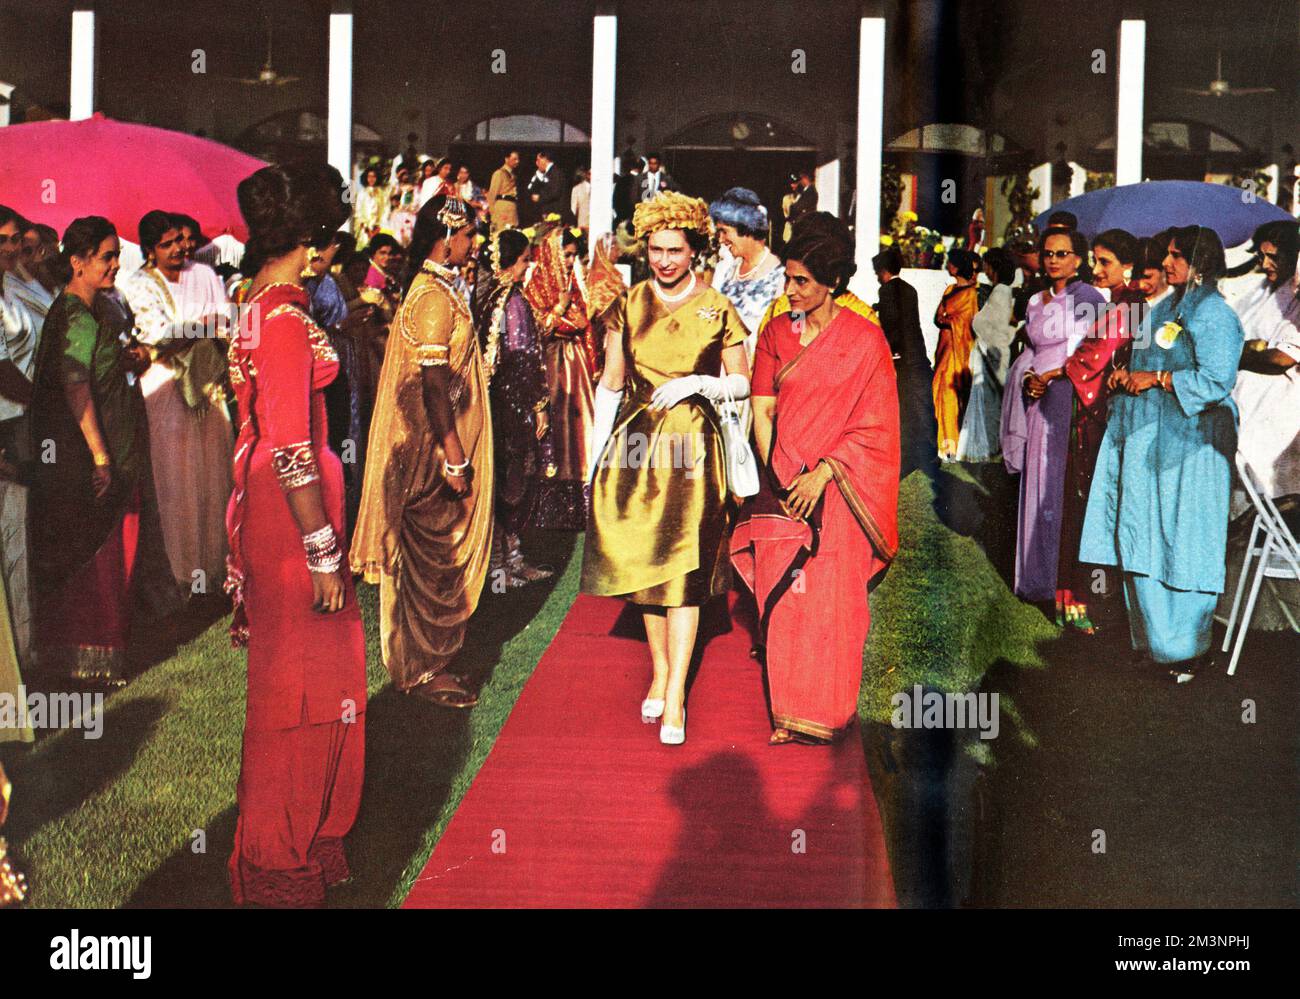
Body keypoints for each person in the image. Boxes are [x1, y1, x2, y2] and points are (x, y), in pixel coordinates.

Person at [224, 163, 366, 906]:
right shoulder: (280, 321)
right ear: (312, 243)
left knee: (312, 678)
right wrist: (321, 550)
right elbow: (290, 446)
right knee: (298, 686)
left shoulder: (261, 306)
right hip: (293, 517)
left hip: (287, 508)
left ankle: (303, 831)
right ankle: (281, 848)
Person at [581, 191, 750, 746]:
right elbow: (610, 381)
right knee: (647, 567)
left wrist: (700, 384)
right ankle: (659, 671)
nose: (664, 260)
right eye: (655, 249)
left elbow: (743, 382)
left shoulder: (717, 307)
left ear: (696, 249)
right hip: (636, 448)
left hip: (695, 452)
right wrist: (592, 453)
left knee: (684, 572)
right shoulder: (627, 303)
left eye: (675, 250)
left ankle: (676, 693)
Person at [732, 212, 900, 744]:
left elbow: (877, 426)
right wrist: (782, 475)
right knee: (785, 599)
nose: (790, 290)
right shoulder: (778, 332)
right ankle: (788, 712)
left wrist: (824, 472)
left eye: (802, 281)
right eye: (787, 278)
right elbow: (762, 408)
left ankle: (825, 714)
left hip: (842, 487)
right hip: (786, 482)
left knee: (833, 601)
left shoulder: (866, 341)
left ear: (832, 281)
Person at [1081, 226, 1243, 681]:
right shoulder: (1167, 308)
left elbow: (1216, 380)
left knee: (1184, 536)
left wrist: (1161, 380)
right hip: (1153, 439)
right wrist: (1125, 375)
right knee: (1146, 533)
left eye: (1176, 257)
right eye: (1168, 255)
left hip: (1193, 447)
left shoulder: (1213, 313)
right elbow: (1147, 362)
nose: (1166, 263)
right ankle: (1153, 643)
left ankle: (1187, 649)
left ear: (1202, 263)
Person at [352, 195, 492, 708]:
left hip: (438, 446)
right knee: (429, 553)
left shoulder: (441, 288)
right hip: (429, 454)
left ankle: (434, 659)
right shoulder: (432, 296)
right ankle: (423, 668)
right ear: (447, 235)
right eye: (469, 235)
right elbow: (433, 385)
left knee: (439, 551)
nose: (474, 244)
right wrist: (453, 453)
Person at [28, 217, 157, 686]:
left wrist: (126, 357)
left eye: (117, 255)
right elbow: (75, 385)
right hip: (86, 452)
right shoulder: (77, 314)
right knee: (98, 549)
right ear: (78, 262)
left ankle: (92, 653)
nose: (116, 265)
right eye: (107, 256)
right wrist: (102, 458)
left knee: (105, 547)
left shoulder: (90, 308)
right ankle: (89, 657)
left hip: (104, 443)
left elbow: (96, 366)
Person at [1023, 229, 1143, 632]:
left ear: (1127, 265)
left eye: (1104, 262)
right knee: (1078, 503)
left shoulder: (1131, 304)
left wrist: (1057, 372)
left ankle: (1082, 596)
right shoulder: (1120, 302)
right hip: (1092, 412)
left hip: (1100, 416)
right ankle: (1073, 597)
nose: (1096, 269)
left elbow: (1094, 357)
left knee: (1086, 504)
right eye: (1094, 260)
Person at [121, 211, 233, 597]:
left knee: (211, 474)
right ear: (149, 251)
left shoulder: (202, 274)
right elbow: (157, 334)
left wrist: (194, 331)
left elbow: (226, 322)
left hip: (206, 385)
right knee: (173, 479)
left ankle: (214, 573)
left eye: (180, 241)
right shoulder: (137, 284)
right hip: (164, 386)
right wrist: (200, 327)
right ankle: (177, 577)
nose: (177, 249)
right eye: (166, 244)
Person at [1002, 225, 1105, 604]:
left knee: (1058, 480)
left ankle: (1059, 577)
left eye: (1063, 254)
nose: (1054, 261)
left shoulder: (1089, 298)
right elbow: (1031, 348)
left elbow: (1092, 351)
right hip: (1036, 392)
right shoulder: (1033, 300)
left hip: (1068, 392)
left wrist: (1052, 376)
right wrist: (1030, 378)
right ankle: (1033, 577)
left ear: (1078, 259)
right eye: (1048, 253)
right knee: (1035, 478)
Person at [475, 227, 553, 584]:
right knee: (513, 482)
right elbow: (523, 358)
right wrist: (538, 405)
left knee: (496, 480)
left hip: (488, 401)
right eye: (524, 260)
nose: (528, 266)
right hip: (512, 404)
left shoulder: (485, 294)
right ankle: (507, 564)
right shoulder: (515, 302)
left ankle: (501, 563)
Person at [523, 227, 597, 531]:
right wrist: (561, 310)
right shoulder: (538, 284)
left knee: (580, 429)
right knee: (554, 426)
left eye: (573, 255)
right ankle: (547, 510)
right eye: (565, 254)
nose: (570, 261)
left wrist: (571, 320)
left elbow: (583, 321)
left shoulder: (572, 283)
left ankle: (579, 508)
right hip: (551, 366)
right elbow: (536, 326)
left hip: (575, 365)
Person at [1231, 220, 1300, 507]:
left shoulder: (1295, 301)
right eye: (1262, 256)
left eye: (1274, 257)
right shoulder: (1258, 291)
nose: (1266, 263)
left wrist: (1242, 354)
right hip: (1246, 403)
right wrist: (1249, 350)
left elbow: (1283, 356)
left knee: (1264, 486)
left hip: (1277, 411)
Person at [0, 207, 39, 669]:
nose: (11, 248)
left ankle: (19, 659)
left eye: (15, 239)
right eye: (2, 240)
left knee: (16, 540)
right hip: (8, 424)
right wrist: (45, 398)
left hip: (19, 422)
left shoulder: (12, 289)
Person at [873, 246, 937, 478]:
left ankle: (906, 457)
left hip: (900, 358)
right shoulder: (910, 289)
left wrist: (892, 352)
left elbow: (891, 324)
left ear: (883, 271)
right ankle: (929, 453)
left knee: (903, 409)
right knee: (922, 405)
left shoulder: (887, 290)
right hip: (917, 354)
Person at [958, 247, 1017, 462]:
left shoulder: (1000, 291)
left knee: (992, 403)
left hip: (993, 353)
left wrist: (977, 323)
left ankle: (992, 445)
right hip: (991, 352)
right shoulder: (1000, 291)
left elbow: (992, 325)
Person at [931, 248, 980, 461]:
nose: (947, 265)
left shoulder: (971, 294)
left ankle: (952, 445)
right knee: (937, 391)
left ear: (958, 266)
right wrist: (946, 319)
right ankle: (940, 442)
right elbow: (938, 316)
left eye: (950, 262)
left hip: (957, 350)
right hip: (944, 348)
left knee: (950, 396)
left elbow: (969, 321)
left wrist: (950, 320)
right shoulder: (950, 288)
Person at [352, 166, 389, 246]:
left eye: (373, 176)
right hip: (365, 230)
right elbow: (358, 213)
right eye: (369, 176)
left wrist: (378, 228)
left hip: (379, 229)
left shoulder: (383, 194)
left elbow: (386, 211)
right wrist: (367, 230)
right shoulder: (361, 193)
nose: (371, 179)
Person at [525, 151, 565, 226]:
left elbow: (555, 192)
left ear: (545, 159)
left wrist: (540, 197)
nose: (537, 163)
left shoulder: (555, 172)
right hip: (548, 213)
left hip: (554, 213)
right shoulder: (548, 173)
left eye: (538, 160)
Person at [487, 150, 521, 233]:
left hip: (512, 210)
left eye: (518, 159)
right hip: (502, 209)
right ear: (506, 159)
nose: (517, 161)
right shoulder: (499, 173)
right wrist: (493, 214)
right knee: (500, 233)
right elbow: (492, 194)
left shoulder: (513, 175)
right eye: (514, 159)